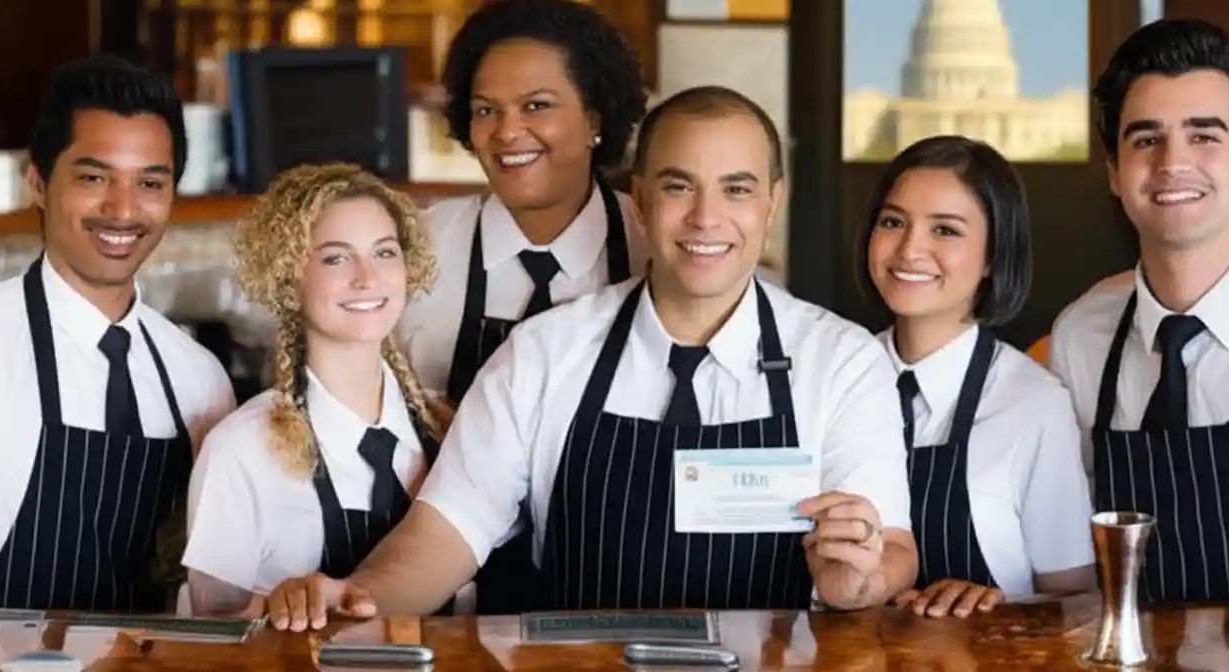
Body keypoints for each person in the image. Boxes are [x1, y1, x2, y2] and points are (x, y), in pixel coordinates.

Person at [263, 85, 918, 631]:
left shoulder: (842, 363)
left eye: (737, 190)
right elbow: (447, 530)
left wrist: (858, 580)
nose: (706, 217)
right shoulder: (546, 352)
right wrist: (355, 597)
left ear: (772, 201)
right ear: (641, 197)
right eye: (679, 186)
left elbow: (890, 548)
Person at [395, 0, 649, 614]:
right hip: (437, 585)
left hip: (610, 586)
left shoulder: (656, 249)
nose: (508, 133)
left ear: (596, 116)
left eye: (537, 106)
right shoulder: (413, 249)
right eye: (487, 111)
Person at [0, 55, 235, 611]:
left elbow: (199, 584)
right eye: (94, 177)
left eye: (150, 182)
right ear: (38, 180)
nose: (123, 210)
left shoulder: (198, 378)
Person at [1049, 19, 1229, 603]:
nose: (1174, 162)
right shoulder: (1080, 334)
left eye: (1204, 136)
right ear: (1115, 175)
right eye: (1146, 139)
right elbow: (1066, 542)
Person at [180, 164, 451, 616]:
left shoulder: (448, 433)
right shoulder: (241, 450)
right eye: (335, 258)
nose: (367, 277)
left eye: (384, 253)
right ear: (288, 280)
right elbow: (213, 635)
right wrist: (277, 608)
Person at [858, 135, 1096, 618]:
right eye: (893, 222)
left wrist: (1003, 606)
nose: (909, 249)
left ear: (992, 256)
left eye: (945, 230)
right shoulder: (837, 378)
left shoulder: (1033, 403)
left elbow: (1076, 600)